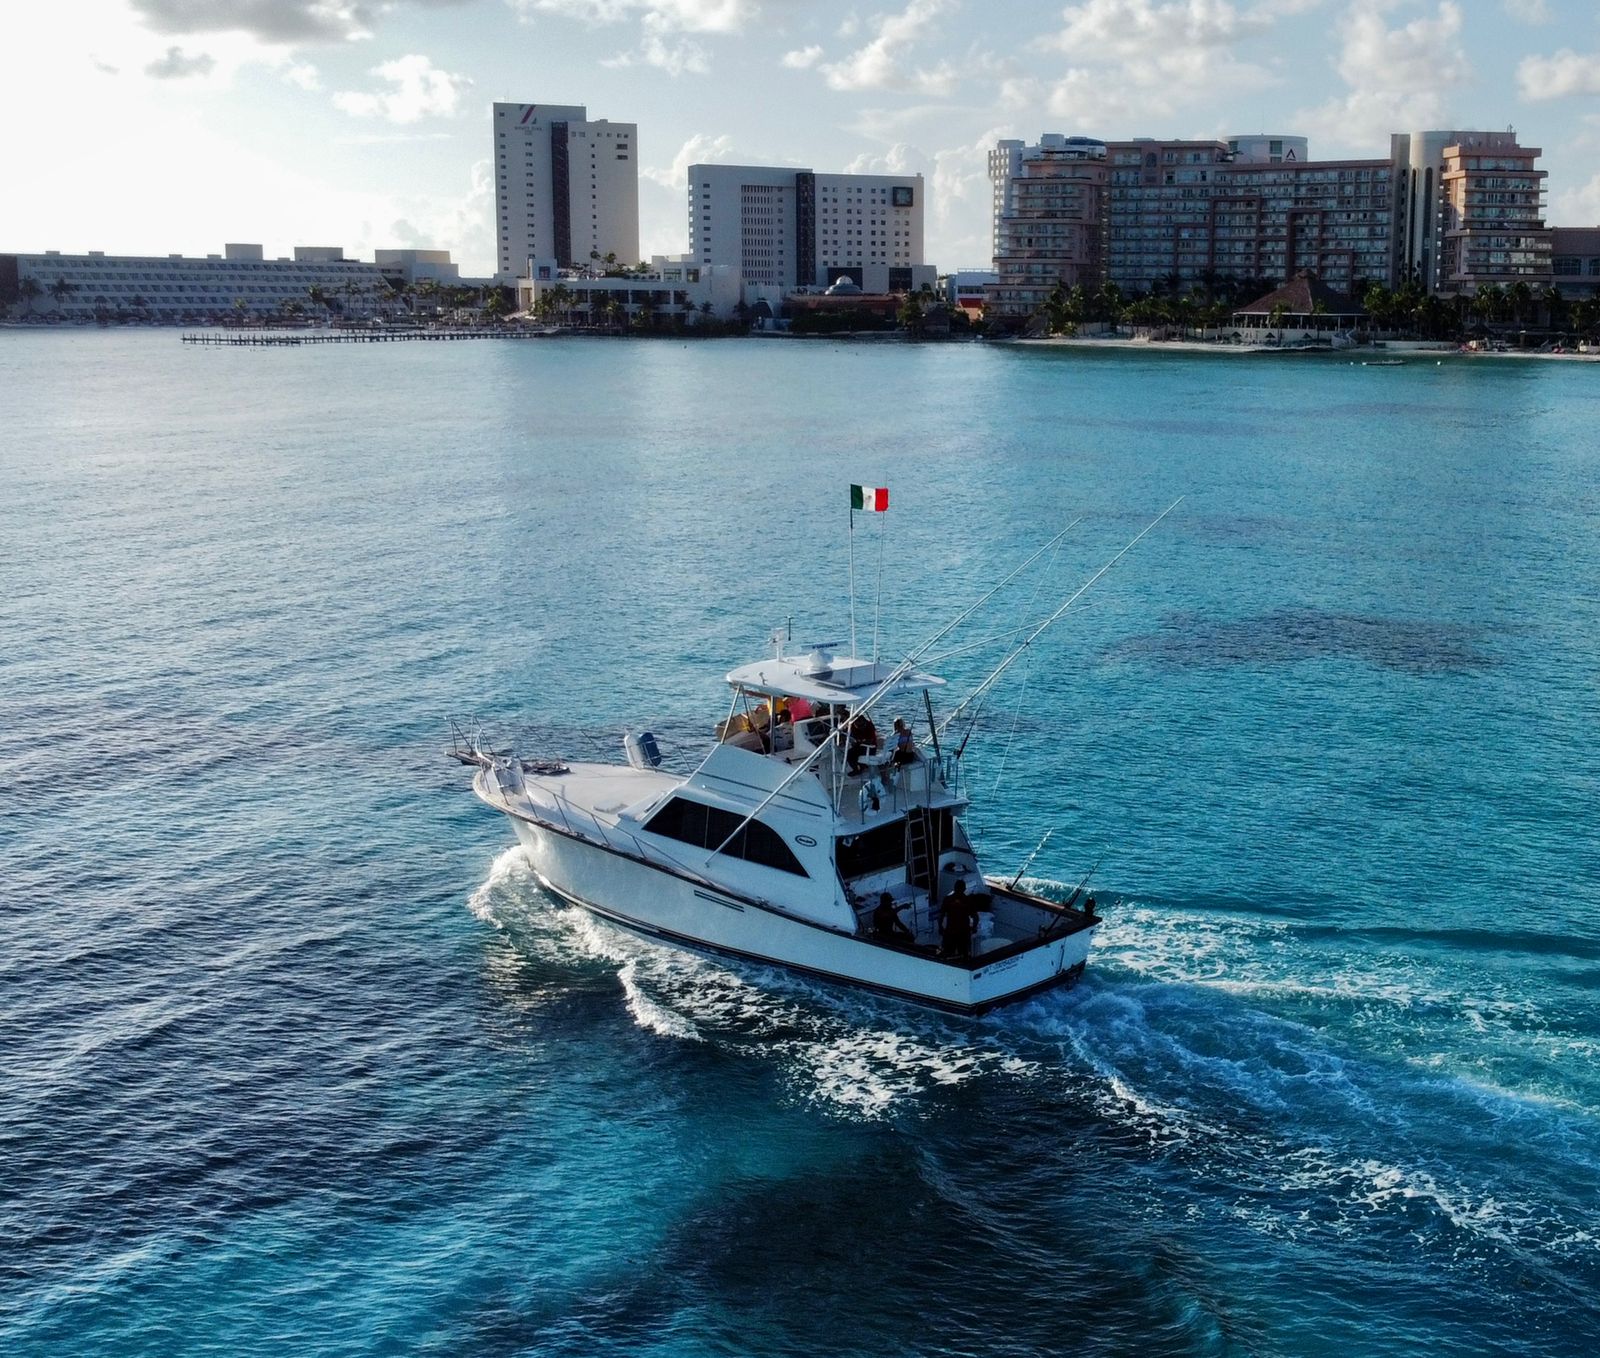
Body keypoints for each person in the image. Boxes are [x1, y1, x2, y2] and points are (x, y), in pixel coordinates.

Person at [939, 879, 976, 959]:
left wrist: (940, 927)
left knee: (948, 953)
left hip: (950, 930)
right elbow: (975, 916)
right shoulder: (968, 901)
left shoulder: (947, 899)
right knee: (964, 954)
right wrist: (974, 928)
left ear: (954, 888)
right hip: (963, 932)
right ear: (964, 889)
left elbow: (941, 915)